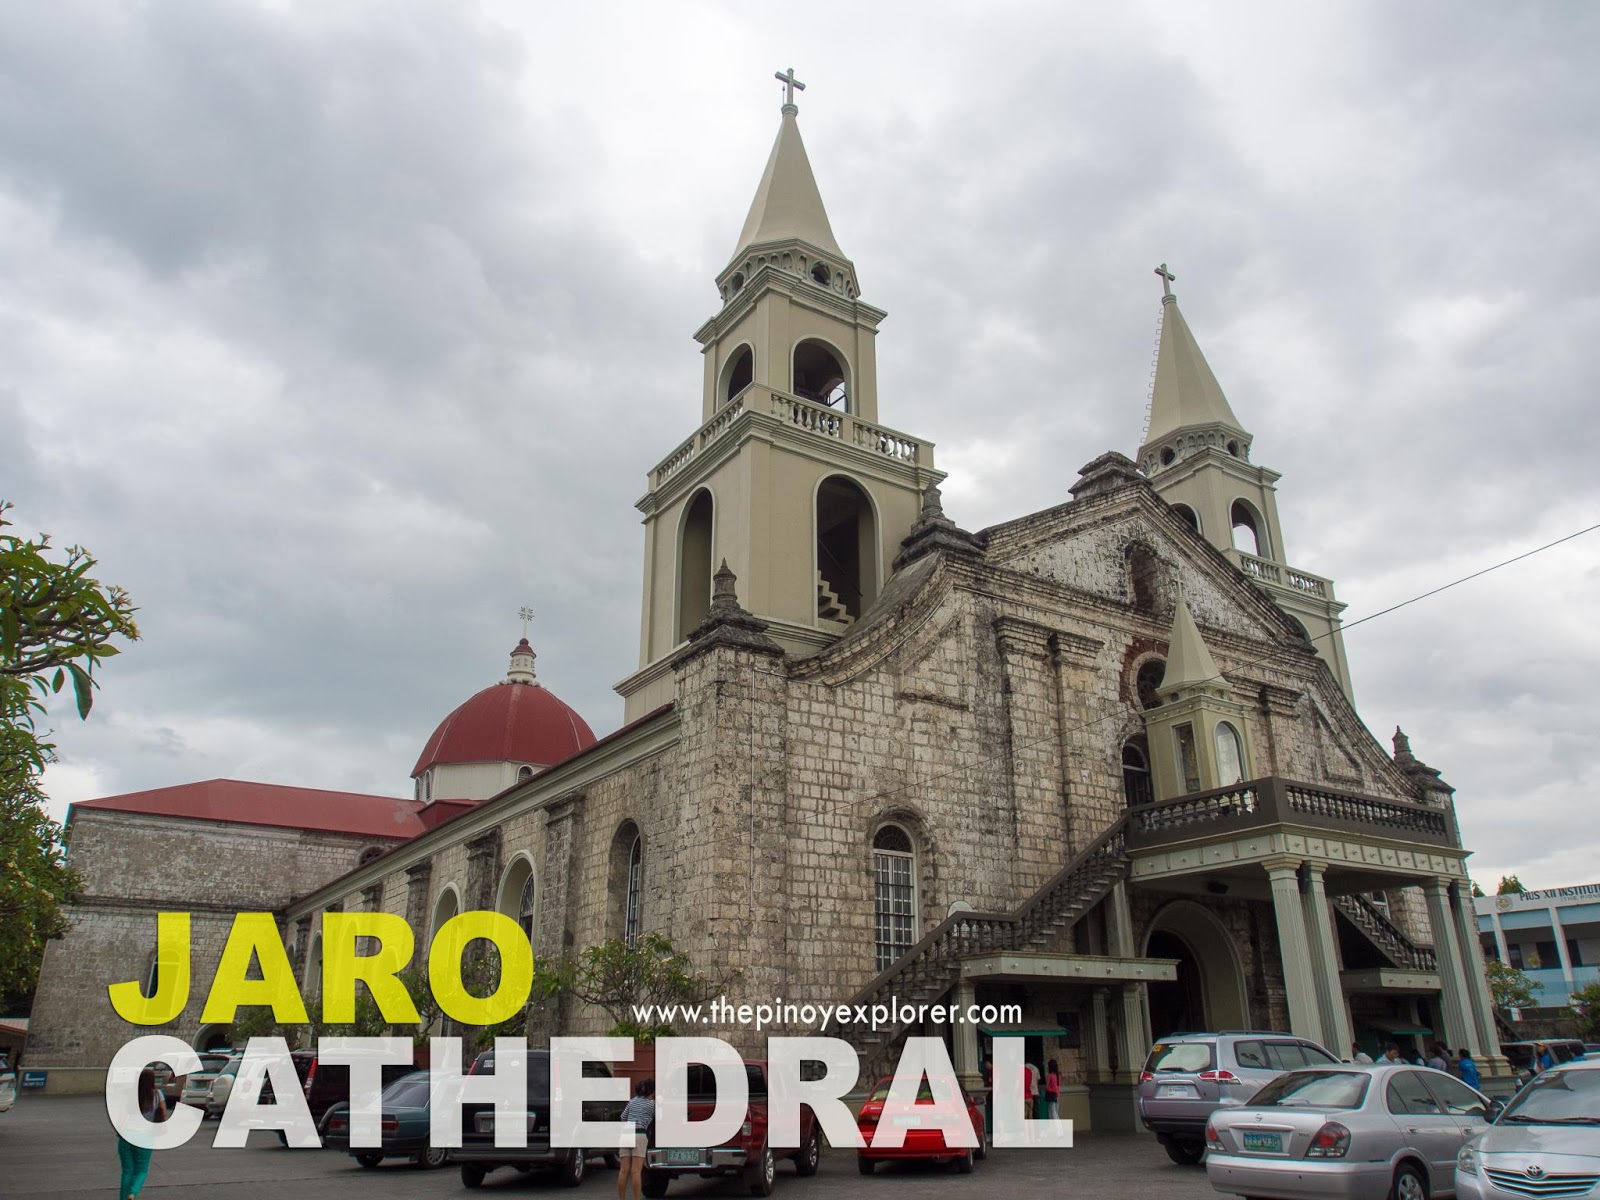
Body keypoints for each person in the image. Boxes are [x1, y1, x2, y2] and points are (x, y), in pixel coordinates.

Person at [117, 1067, 166, 1200]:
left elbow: (121, 1118)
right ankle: (133, 1193)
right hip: (145, 1136)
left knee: (127, 1171)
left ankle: (123, 1198)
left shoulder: (130, 1094)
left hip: (126, 1136)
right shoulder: (157, 1095)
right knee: (142, 1170)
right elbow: (163, 1113)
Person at [617, 1078, 655, 1200]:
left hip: (626, 1134)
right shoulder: (651, 1104)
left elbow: (623, 1117)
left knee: (623, 1170)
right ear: (651, 1091)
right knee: (636, 1171)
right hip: (639, 1134)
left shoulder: (632, 1101)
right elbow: (660, 1118)